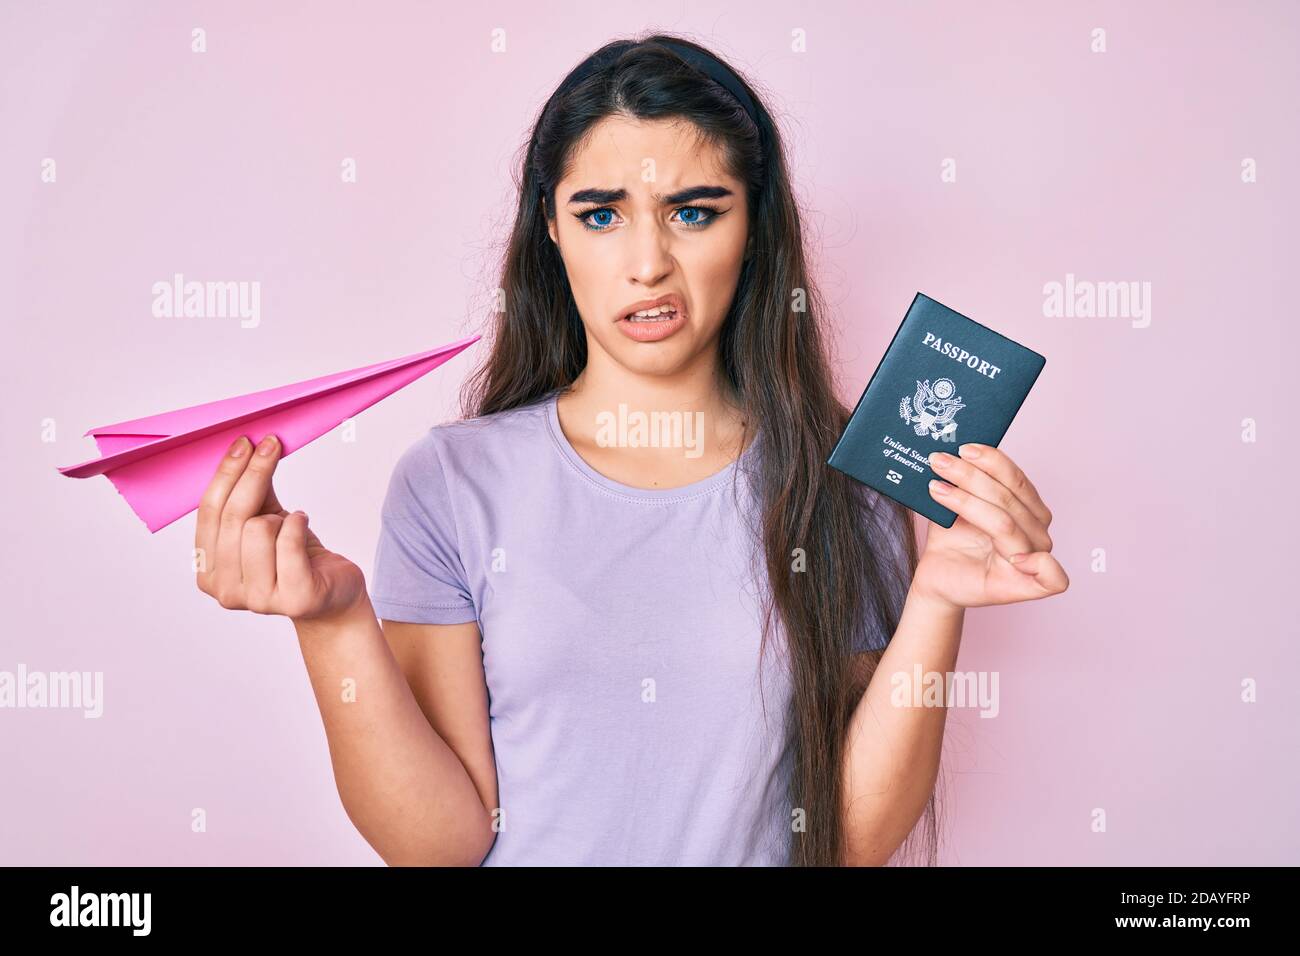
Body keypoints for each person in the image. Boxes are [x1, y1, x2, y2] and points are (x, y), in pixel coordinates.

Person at [193, 33, 1068, 867]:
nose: (647, 263)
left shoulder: (844, 480)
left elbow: (845, 842)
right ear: (550, 227)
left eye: (693, 212)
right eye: (602, 213)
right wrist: (334, 621)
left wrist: (938, 601)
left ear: (755, 229)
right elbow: (439, 846)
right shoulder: (452, 482)